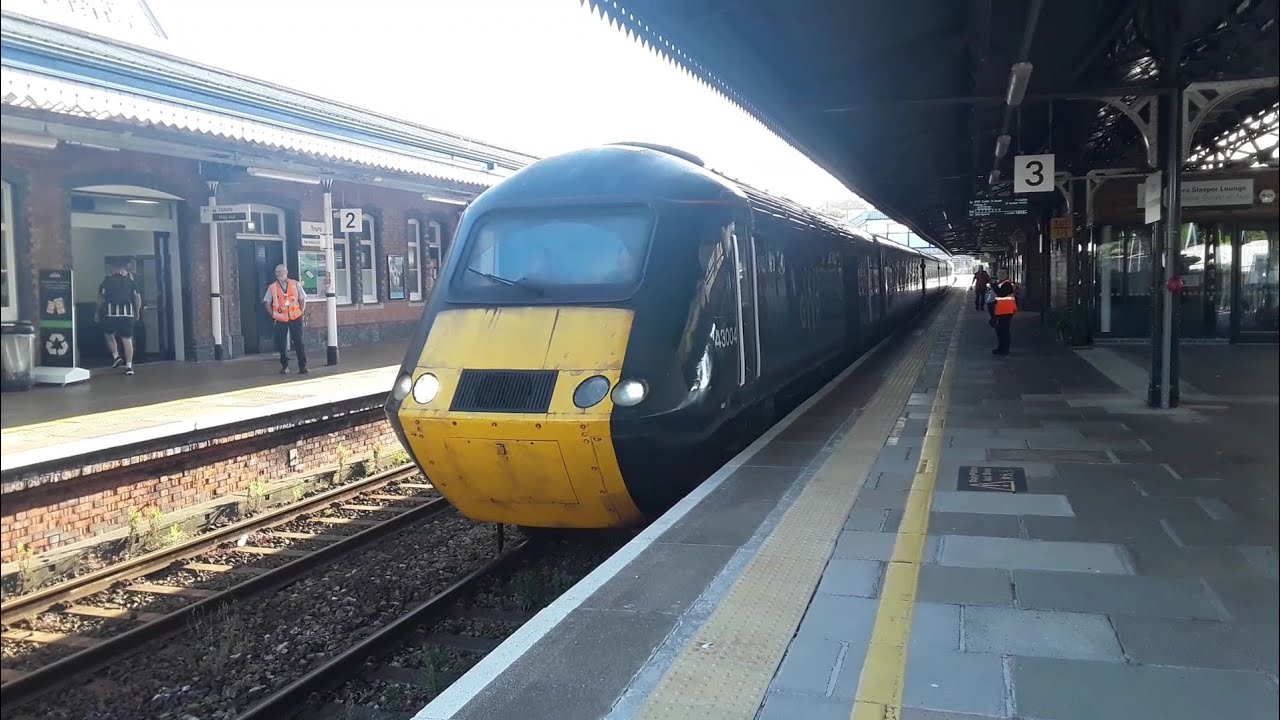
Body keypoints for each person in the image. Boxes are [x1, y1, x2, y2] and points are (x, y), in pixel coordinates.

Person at [96, 261, 141, 375]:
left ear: (113, 270)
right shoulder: (131, 282)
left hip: (111, 314)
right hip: (127, 314)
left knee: (108, 335)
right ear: (123, 270)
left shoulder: (106, 281)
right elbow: (137, 298)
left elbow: (101, 299)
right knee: (127, 340)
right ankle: (129, 367)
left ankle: (116, 356)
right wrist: (137, 312)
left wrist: (97, 312)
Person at [262, 264, 308, 374]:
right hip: (281, 319)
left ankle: (302, 366)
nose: (278, 274)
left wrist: (301, 311)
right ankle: (284, 366)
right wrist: (273, 315)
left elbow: (302, 298)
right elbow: (266, 302)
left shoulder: (295, 284)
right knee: (282, 344)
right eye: (276, 272)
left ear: (286, 272)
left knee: (298, 342)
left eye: (280, 271)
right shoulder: (272, 287)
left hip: (295, 317)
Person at [990, 272, 1019, 355]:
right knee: (999, 330)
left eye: (1002, 273)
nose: (1000, 275)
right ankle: (1001, 348)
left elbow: (1001, 294)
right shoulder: (1001, 284)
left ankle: (1005, 350)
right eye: (999, 273)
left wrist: (994, 286)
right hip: (1001, 310)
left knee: (1004, 331)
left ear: (1006, 275)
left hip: (1007, 311)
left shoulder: (1008, 284)